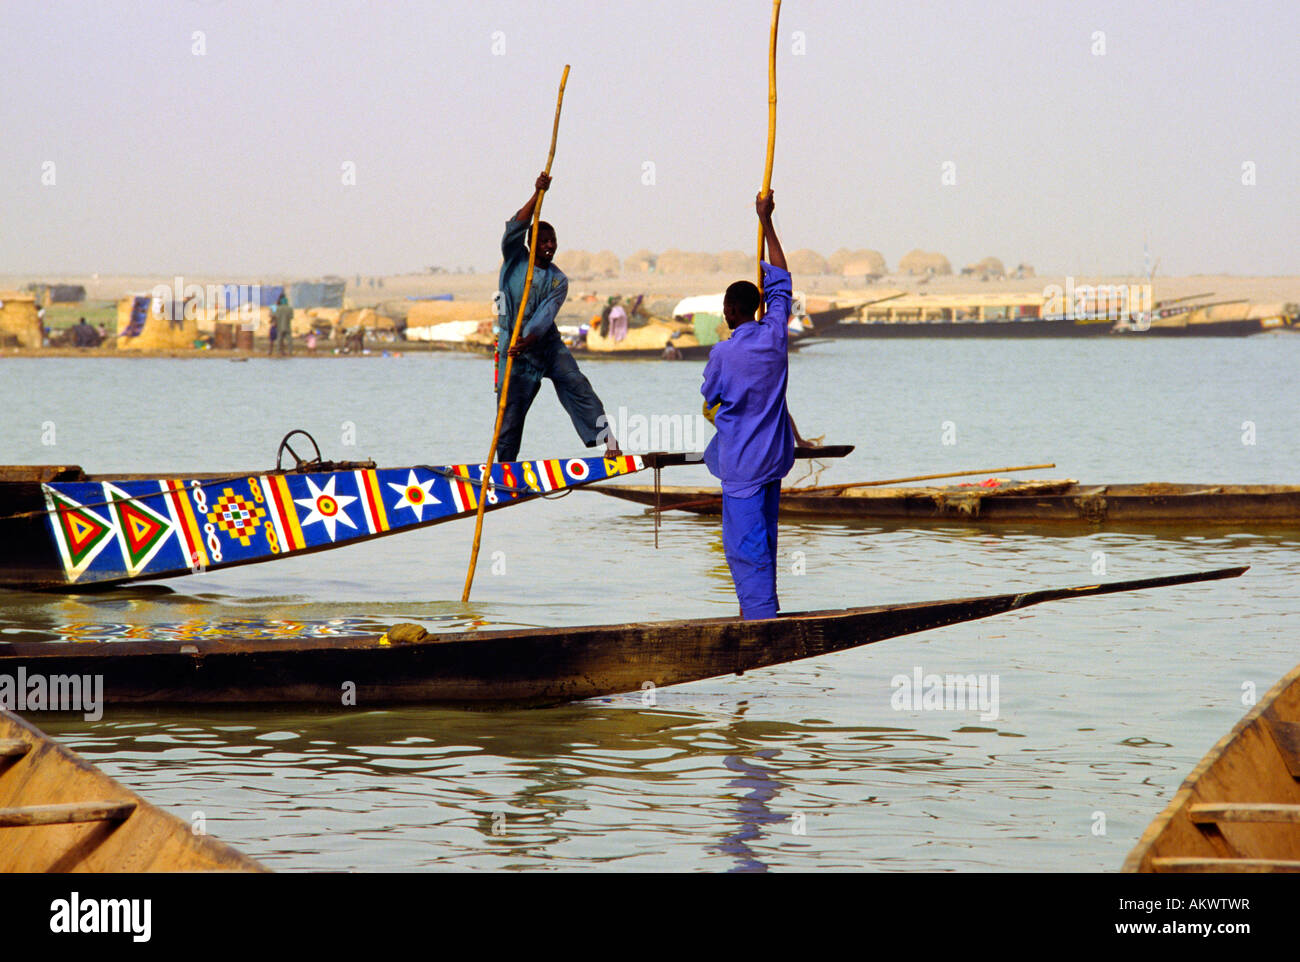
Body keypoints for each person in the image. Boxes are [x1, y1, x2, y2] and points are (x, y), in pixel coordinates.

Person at [700, 190, 801, 620]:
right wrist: (767, 220)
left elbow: (710, 397)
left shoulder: (723, 353)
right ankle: (764, 610)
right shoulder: (776, 334)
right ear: (757, 307)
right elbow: (781, 278)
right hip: (774, 458)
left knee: (745, 545)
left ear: (728, 311)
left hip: (742, 464)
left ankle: (760, 619)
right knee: (766, 539)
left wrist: (763, 217)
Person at [495, 172, 619, 462]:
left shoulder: (558, 280)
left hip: (546, 345)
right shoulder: (514, 259)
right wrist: (537, 193)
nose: (550, 246)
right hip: (513, 350)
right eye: (544, 242)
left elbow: (544, 316)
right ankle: (504, 468)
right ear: (531, 243)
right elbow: (515, 226)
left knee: (577, 384)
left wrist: (529, 341)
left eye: (553, 242)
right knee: (510, 412)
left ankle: (609, 442)